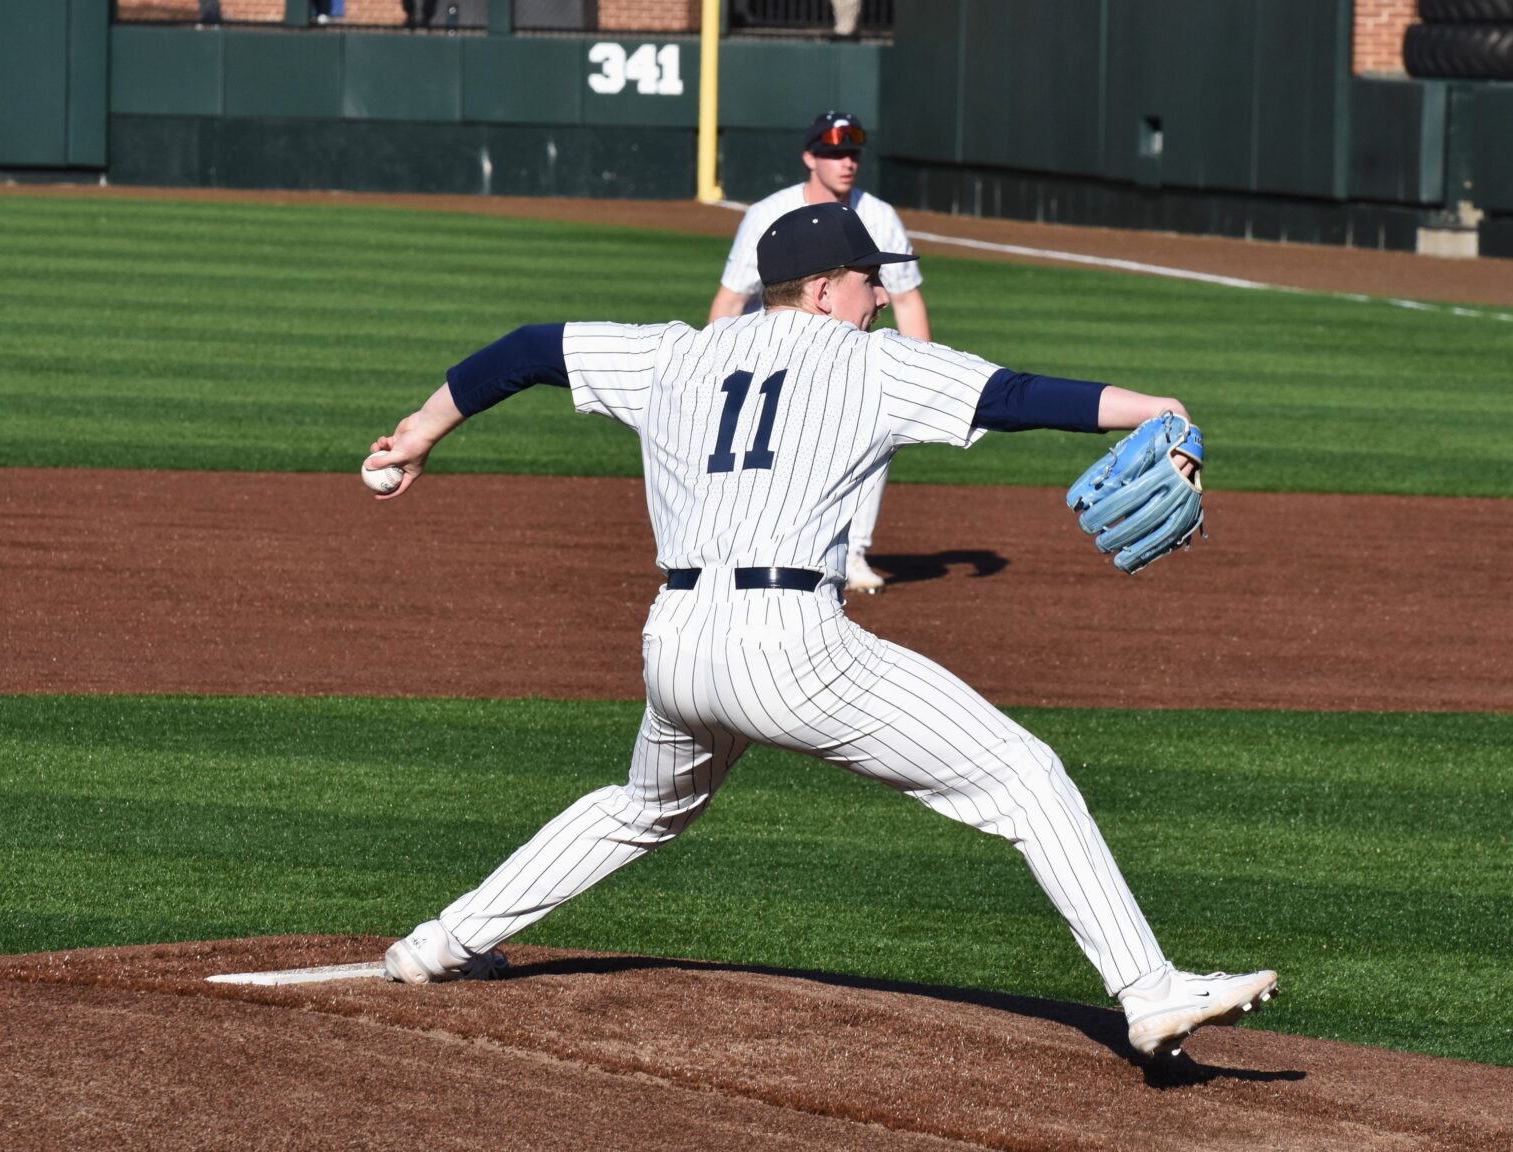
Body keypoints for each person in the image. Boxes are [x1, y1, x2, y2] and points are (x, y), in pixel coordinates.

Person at [366, 204, 1278, 1060]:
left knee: (646, 805)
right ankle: (1150, 989)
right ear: (821, 289)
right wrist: (1159, 406)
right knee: (1023, 776)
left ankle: (440, 943)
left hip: (676, 642)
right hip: (792, 647)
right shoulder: (871, 364)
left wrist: (422, 430)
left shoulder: (675, 354)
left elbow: (529, 349)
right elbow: (1016, 395)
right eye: (869, 281)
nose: (881, 297)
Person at [709, 111, 927, 594]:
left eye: (852, 153)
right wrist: (715, 368)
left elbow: (907, 298)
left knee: (872, 436)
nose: (846, 162)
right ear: (810, 157)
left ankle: (854, 551)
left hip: (849, 351)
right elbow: (731, 297)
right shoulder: (768, 214)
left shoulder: (881, 216)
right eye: (833, 153)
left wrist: (920, 371)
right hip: (774, 350)